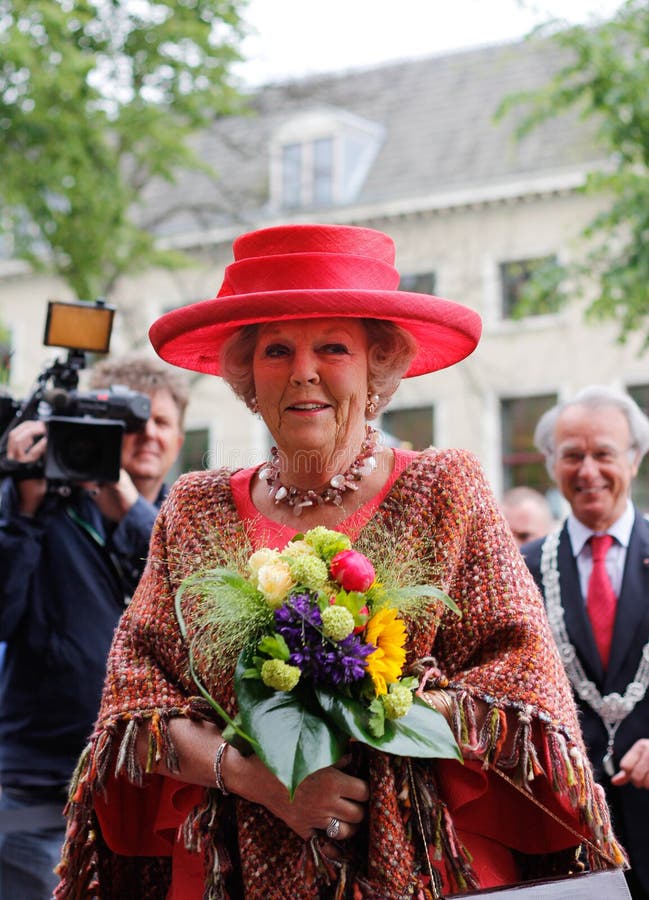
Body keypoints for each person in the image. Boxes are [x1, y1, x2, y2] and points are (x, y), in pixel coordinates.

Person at [55, 225, 624, 900]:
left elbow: (520, 683)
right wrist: (260, 778)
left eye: (333, 346)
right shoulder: (192, 508)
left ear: (376, 364)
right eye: (276, 349)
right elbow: (135, 704)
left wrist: (368, 714)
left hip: (426, 868)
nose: (302, 370)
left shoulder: (444, 488)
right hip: (229, 868)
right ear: (245, 373)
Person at [0, 352, 188, 899]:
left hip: (142, 792)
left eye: (161, 423)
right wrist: (21, 512)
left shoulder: (180, 523)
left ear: (178, 440)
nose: (146, 435)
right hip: (37, 792)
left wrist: (128, 512)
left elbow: (191, 596)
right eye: (130, 424)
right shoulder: (39, 511)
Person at [520, 385, 649, 900]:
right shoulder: (520, 569)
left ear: (635, 459)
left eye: (604, 454)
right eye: (573, 455)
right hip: (565, 827)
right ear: (552, 464)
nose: (588, 471)